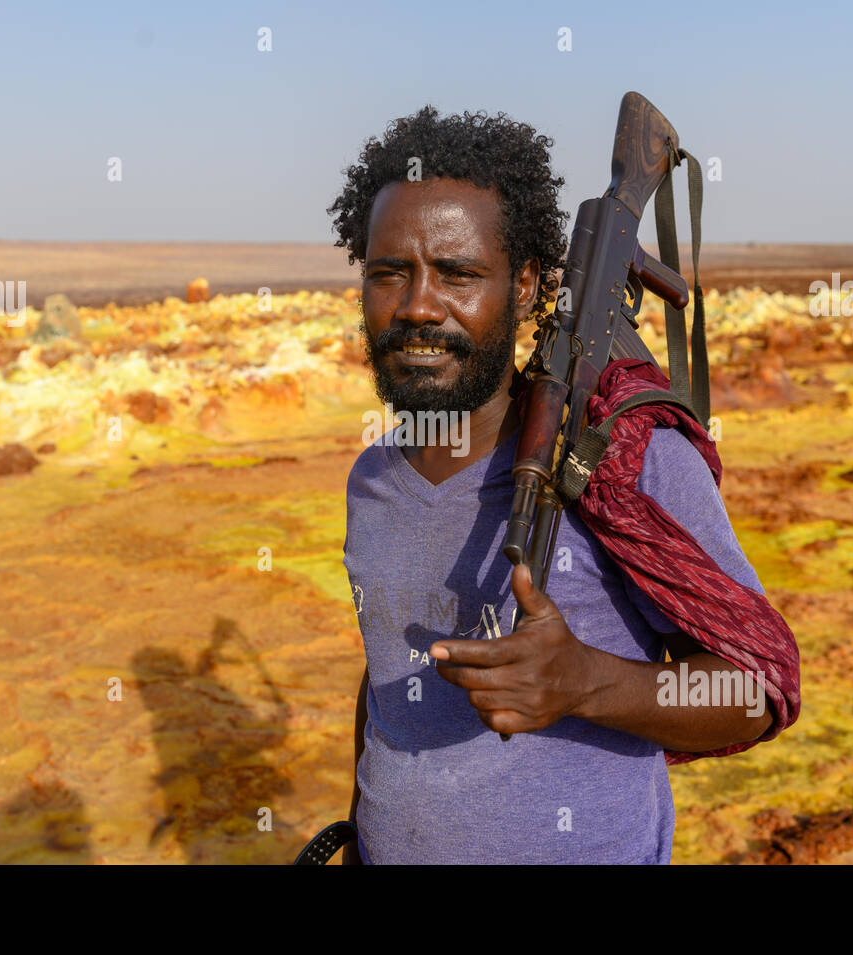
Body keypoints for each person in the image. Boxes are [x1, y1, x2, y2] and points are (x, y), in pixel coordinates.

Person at [328, 105, 777, 864]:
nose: (417, 306)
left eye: (459, 273)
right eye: (387, 273)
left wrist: (585, 682)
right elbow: (385, 689)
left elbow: (750, 694)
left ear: (529, 283)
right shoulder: (371, 478)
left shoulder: (624, 463)